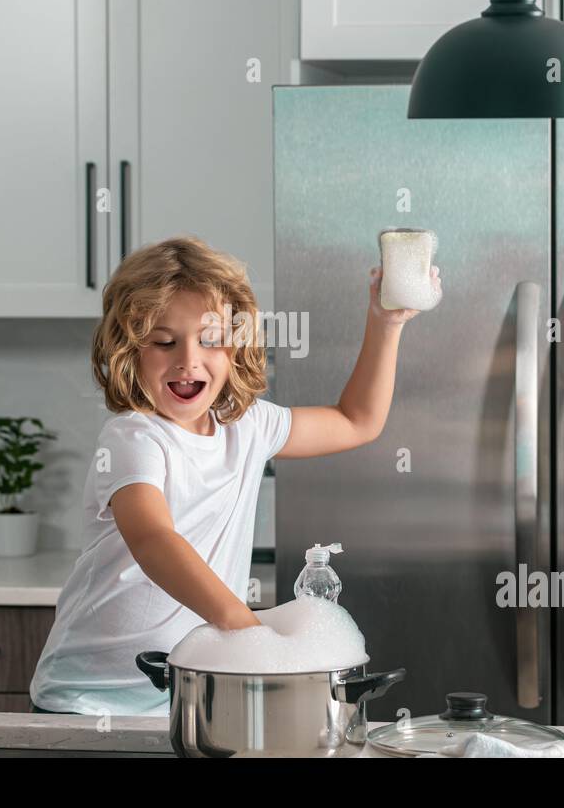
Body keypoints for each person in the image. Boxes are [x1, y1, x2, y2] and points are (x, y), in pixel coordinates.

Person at [29, 236, 438, 715]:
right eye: (164, 341)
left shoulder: (248, 426)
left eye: (210, 339)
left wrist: (386, 323)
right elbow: (154, 540)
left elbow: (356, 420)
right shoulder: (133, 438)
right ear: (130, 351)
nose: (188, 359)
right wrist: (249, 636)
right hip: (89, 701)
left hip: (184, 699)